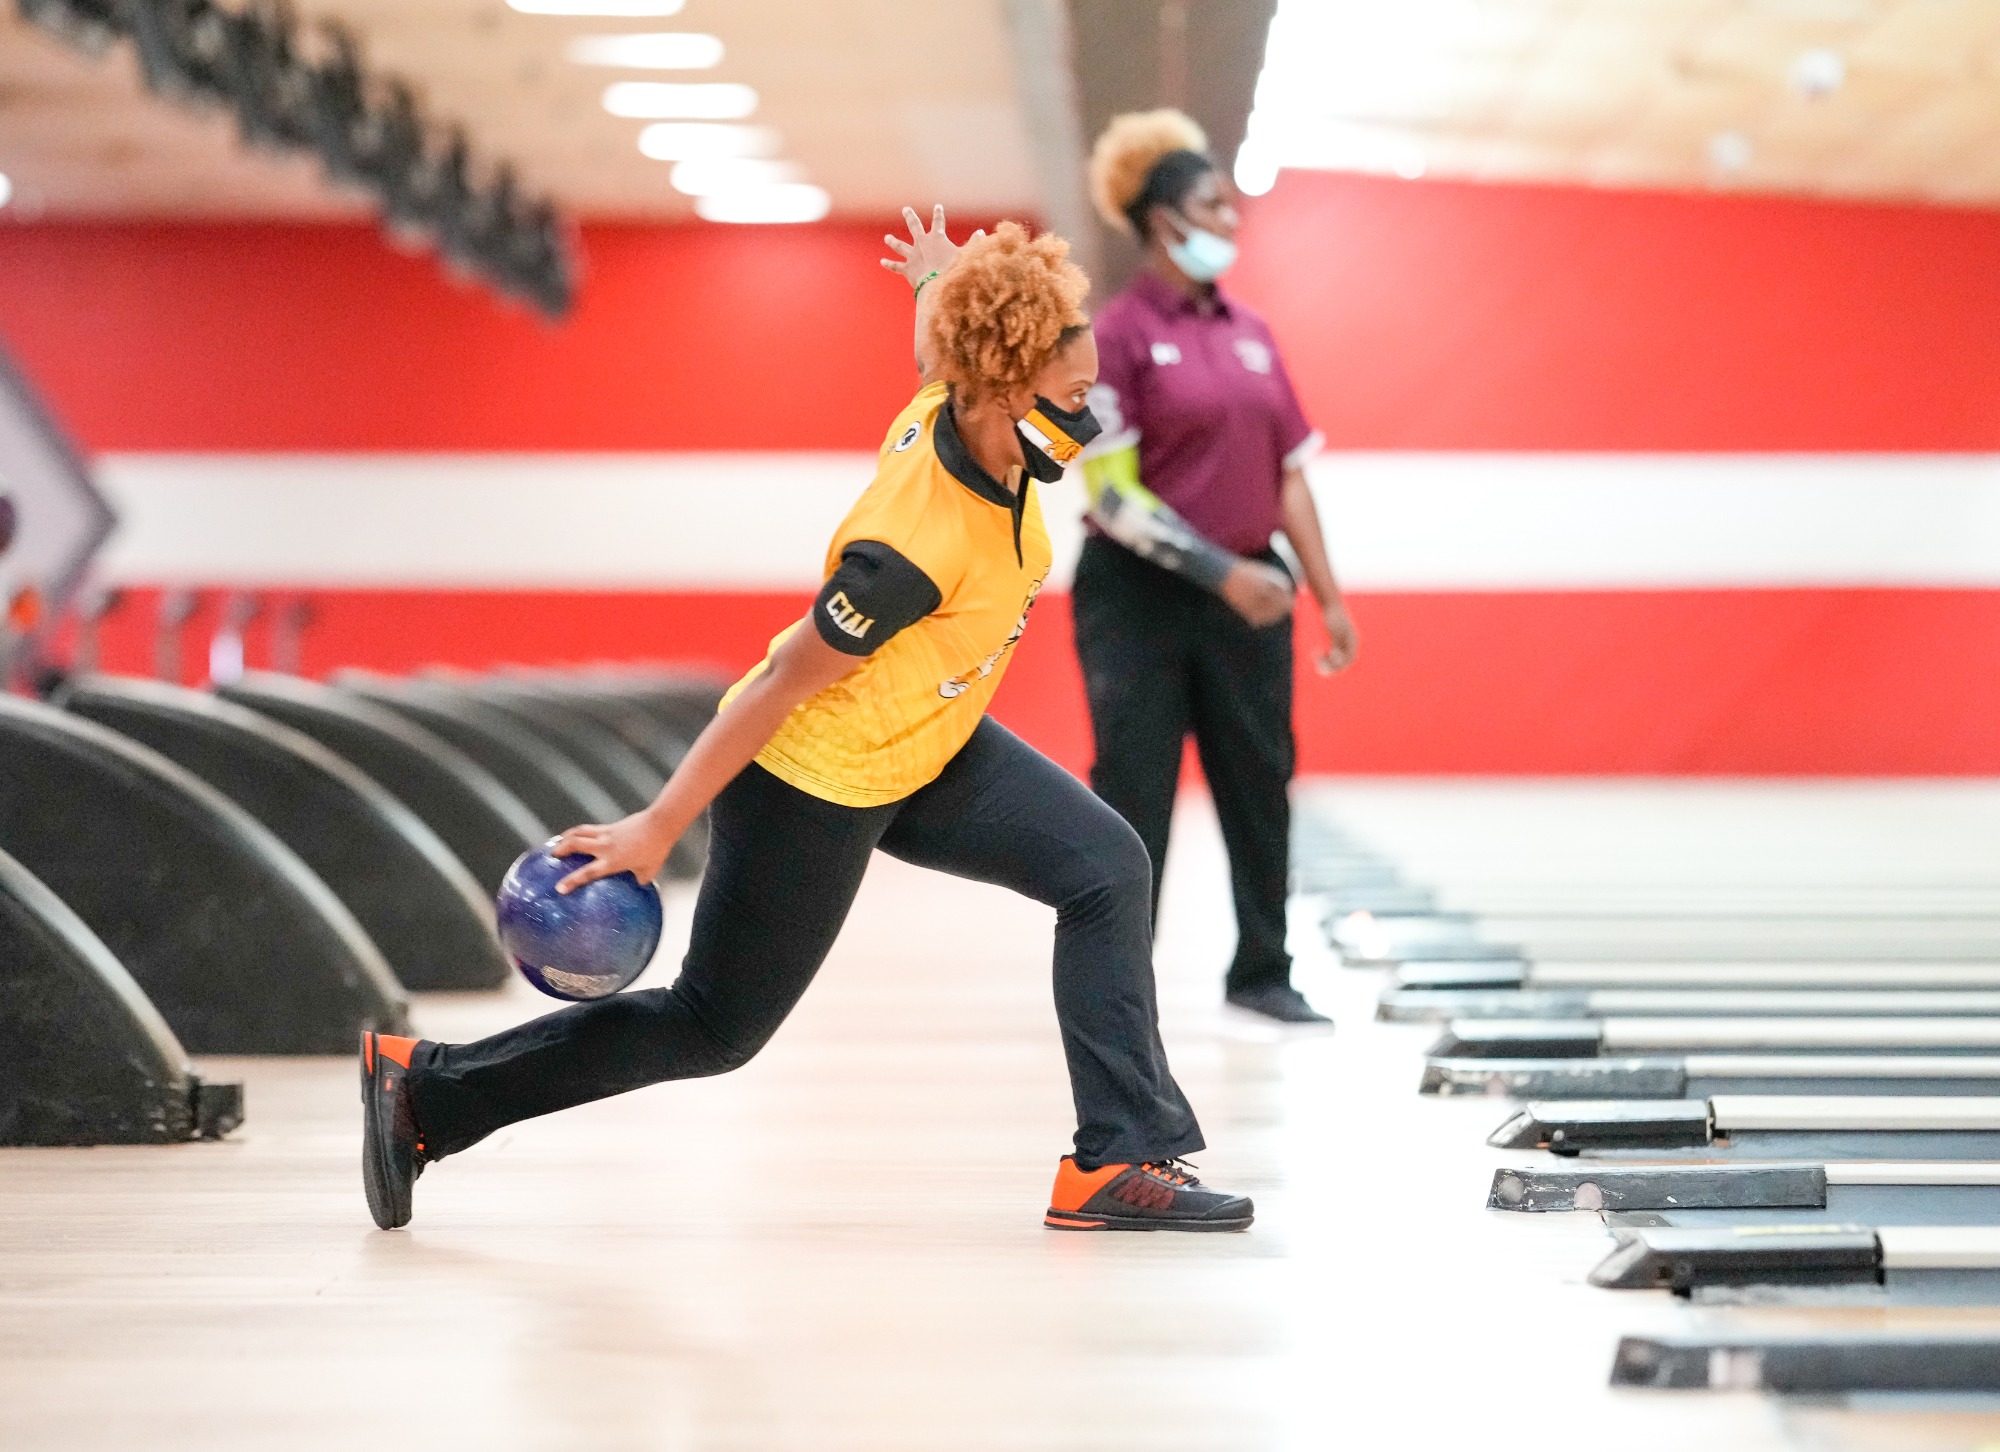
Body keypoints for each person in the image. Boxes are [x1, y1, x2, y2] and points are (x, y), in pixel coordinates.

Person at [359, 214, 1253, 1235]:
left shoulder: (962, 398)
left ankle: (1117, 1159)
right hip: (811, 776)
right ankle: (426, 1092)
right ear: (1002, 388)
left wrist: (935, 275)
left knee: (1106, 868)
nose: (1085, 419)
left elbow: (939, 336)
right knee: (713, 1026)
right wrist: (658, 828)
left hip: (929, 743)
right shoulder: (903, 550)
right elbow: (778, 684)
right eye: (1070, 400)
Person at [1073, 109, 1358, 1026]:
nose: (1231, 221)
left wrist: (1328, 593)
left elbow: (1289, 475)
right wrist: (1215, 574)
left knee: (1259, 779)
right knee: (1135, 793)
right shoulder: (1114, 335)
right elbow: (1113, 497)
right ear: (1162, 220)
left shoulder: (1252, 332)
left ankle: (1263, 972)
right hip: (1139, 597)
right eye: (1212, 205)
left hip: (1251, 591)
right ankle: (1123, 989)